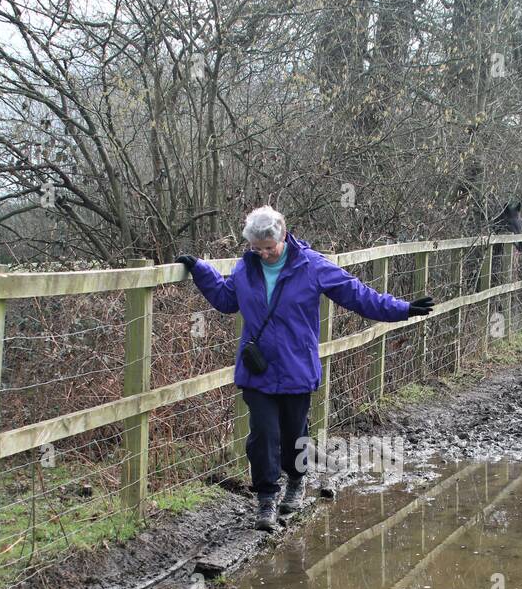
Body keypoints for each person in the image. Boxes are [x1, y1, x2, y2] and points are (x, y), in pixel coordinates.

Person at [177, 207, 434, 532]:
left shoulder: (311, 266)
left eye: (269, 247)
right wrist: (200, 269)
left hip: (296, 367)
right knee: (263, 436)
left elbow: (357, 295)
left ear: (283, 235)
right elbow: (227, 300)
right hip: (258, 371)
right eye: (258, 248)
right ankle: (266, 500)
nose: (265, 254)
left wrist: (403, 309)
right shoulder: (246, 268)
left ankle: (296, 481)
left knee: (294, 434)